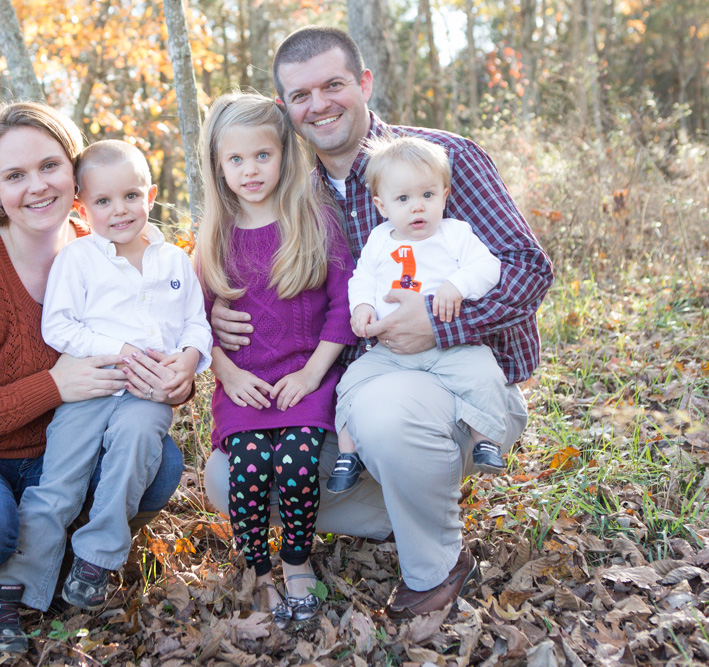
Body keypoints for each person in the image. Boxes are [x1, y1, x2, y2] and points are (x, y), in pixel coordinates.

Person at [206, 26, 553, 618]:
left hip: (459, 386)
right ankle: (417, 500)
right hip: (345, 402)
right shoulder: (291, 193)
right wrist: (220, 309)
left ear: (364, 83)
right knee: (224, 477)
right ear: (286, 110)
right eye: (300, 95)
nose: (319, 104)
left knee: (385, 412)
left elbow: (528, 267)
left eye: (334, 85)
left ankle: (436, 566)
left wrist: (443, 325)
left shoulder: (441, 160)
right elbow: (281, 290)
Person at [0, 103, 190, 655]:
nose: (37, 187)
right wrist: (53, 386)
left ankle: (76, 556)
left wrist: (177, 379)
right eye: (15, 175)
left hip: (54, 449)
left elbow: (155, 334)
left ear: (75, 174)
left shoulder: (105, 242)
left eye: (50, 166)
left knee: (160, 461)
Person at [0, 140, 211, 622]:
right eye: (103, 201)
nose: (119, 211)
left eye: (131, 196)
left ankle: (96, 558)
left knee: (137, 444)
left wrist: (189, 359)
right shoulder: (78, 259)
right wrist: (119, 351)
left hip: (147, 393)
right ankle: (9, 594)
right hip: (92, 386)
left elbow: (196, 323)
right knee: (58, 485)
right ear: (83, 205)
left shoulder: (174, 262)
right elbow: (58, 327)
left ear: (151, 193)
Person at [196, 92, 356, 627]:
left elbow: (344, 304)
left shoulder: (313, 220)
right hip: (242, 385)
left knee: (296, 463)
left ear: (285, 153)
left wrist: (314, 373)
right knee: (246, 470)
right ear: (218, 166)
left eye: (262, 155)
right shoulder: (215, 236)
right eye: (235, 160)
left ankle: (295, 559)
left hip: (307, 380)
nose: (250, 170)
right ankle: (259, 569)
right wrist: (228, 371)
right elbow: (193, 323)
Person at [329, 135, 506, 495]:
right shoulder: (379, 240)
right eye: (403, 199)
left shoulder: (455, 234)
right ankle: (348, 455)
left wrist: (456, 285)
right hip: (389, 352)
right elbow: (361, 279)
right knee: (351, 383)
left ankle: (486, 440)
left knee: (483, 372)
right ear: (382, 206)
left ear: (444, 194)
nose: (418, 208)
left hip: (448, 346)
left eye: (428, 195)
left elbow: (488, 267)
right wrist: (362, 306)